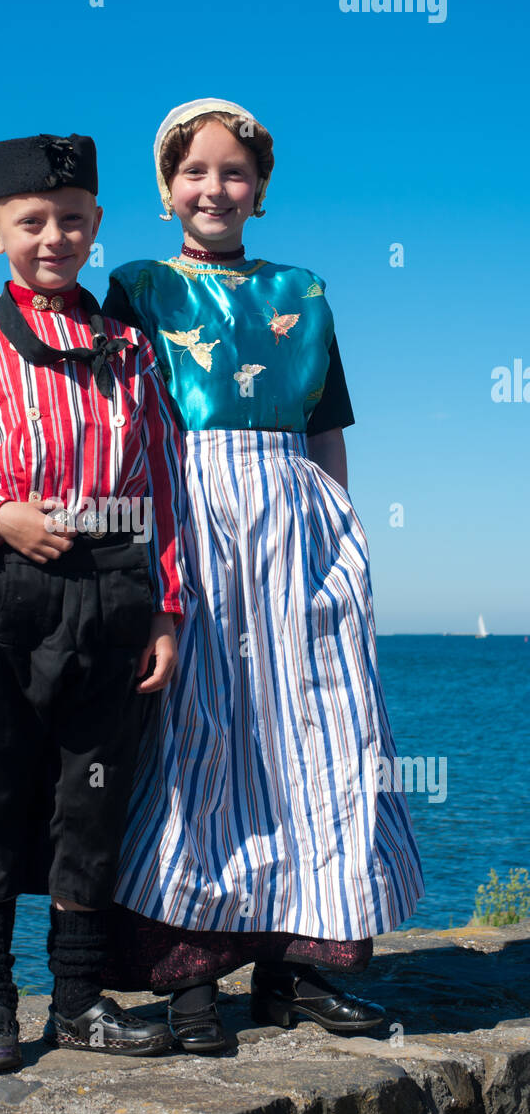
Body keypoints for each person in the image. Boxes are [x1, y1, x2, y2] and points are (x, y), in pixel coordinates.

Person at [101, 99, 425, 1052]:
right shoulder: (140, 288)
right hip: (192, 519)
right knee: (198, 739)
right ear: (165, 191)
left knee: (314, 739)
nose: (214, 188)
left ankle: (296, 972)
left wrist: (346, 544)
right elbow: (127, 424)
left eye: (233, 172)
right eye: (193, 172)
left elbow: (322, 426)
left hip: (296, 525)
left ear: (261, 190)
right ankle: (190, 976)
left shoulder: (303, 290)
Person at [0, 132, 188, 1071]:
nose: (52, 238)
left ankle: (77, 1001)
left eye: (70, 221)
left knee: (90, 797)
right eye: (31, 222)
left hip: (112, 590)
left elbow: (166, 486)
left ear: (96, 224)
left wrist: (168, 611)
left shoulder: (133, 352)